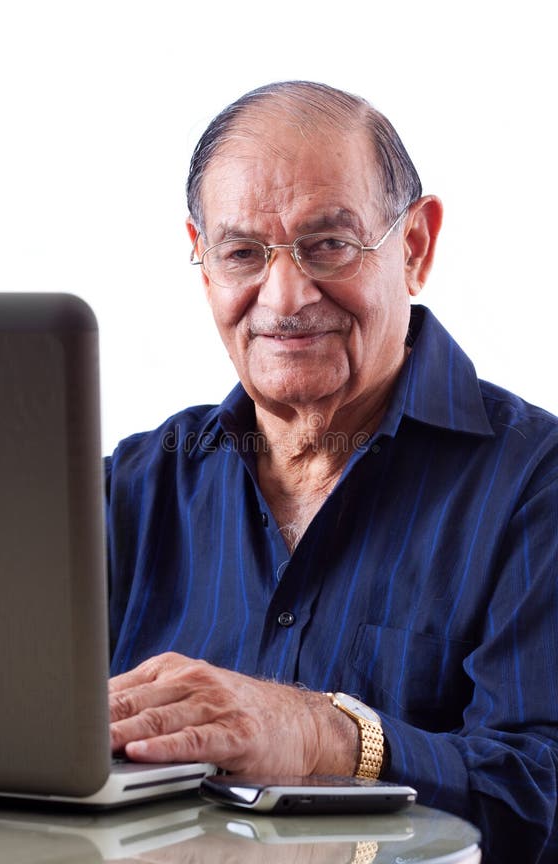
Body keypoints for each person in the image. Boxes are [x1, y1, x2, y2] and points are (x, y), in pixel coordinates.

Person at [105, 81, 558, 863]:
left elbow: (541, 796)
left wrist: (324, 733)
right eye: (243, 252)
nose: (285, 296)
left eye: (329, 245)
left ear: (414, 246)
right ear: (203, 260)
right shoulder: (131, 488)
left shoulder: (535, 483)